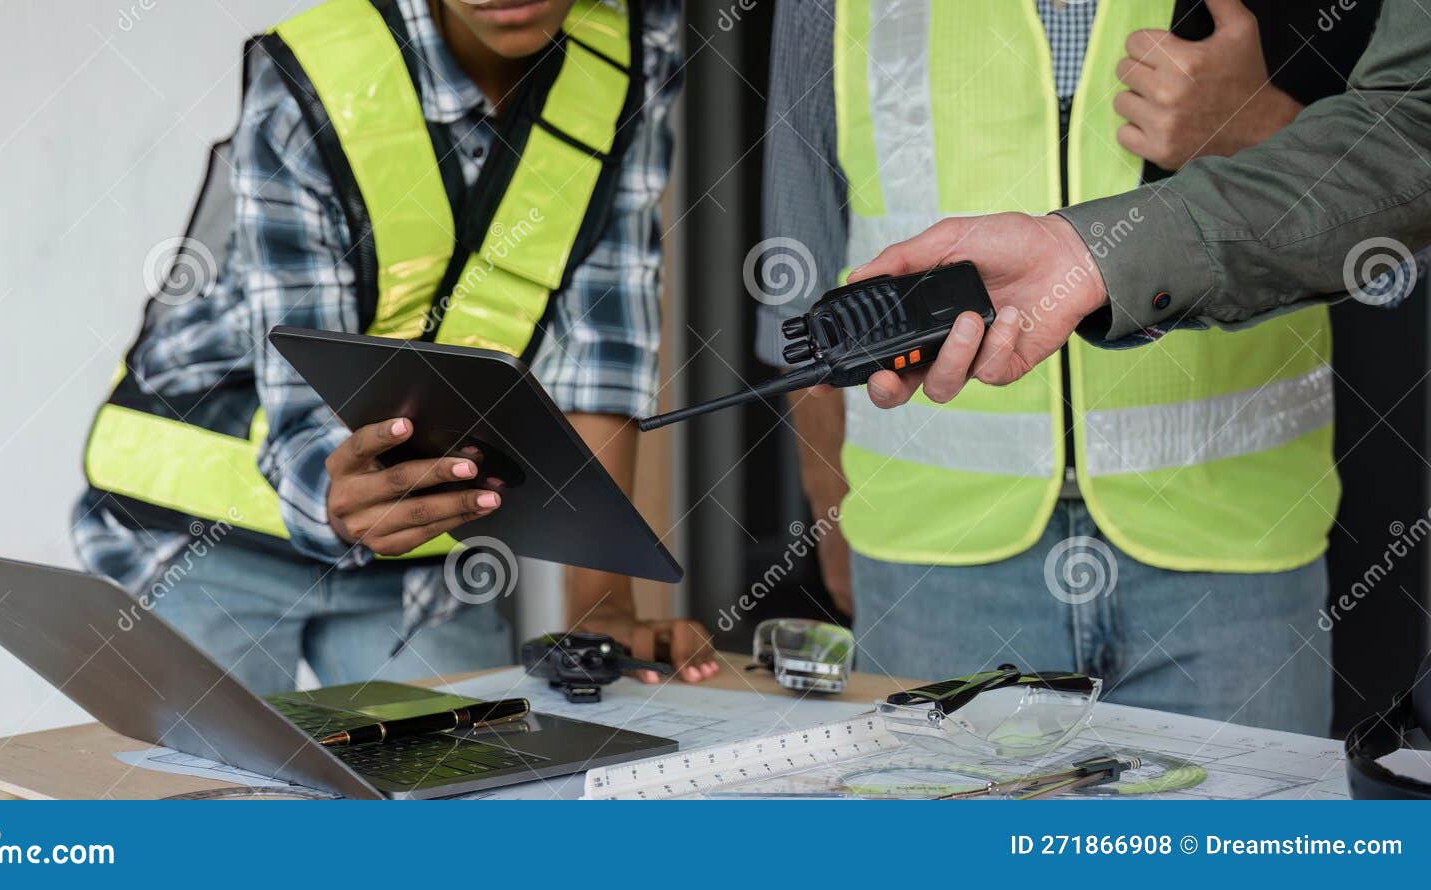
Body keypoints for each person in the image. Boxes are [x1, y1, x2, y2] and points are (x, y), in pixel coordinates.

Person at [761, 0, 1381, 734]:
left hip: (1231, 556)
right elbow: (799, 288)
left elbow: (1400, 214)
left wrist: (1257, 130)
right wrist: (832, 520)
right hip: (935, 565)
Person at [74, 0, 718, 695]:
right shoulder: (319, 78)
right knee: (214, 797)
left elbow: (604, 337)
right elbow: (300, 386)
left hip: (413, 544)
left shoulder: (628, 51)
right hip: (196, 535)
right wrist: (341, 496)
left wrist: (602, 607)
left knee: (485, 783)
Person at [852, 0, 1431, 405]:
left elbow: (1403, 177)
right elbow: (796, 226)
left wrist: (1260, 125)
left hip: (1226, 512)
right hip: (927, 515)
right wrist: (824, 508)